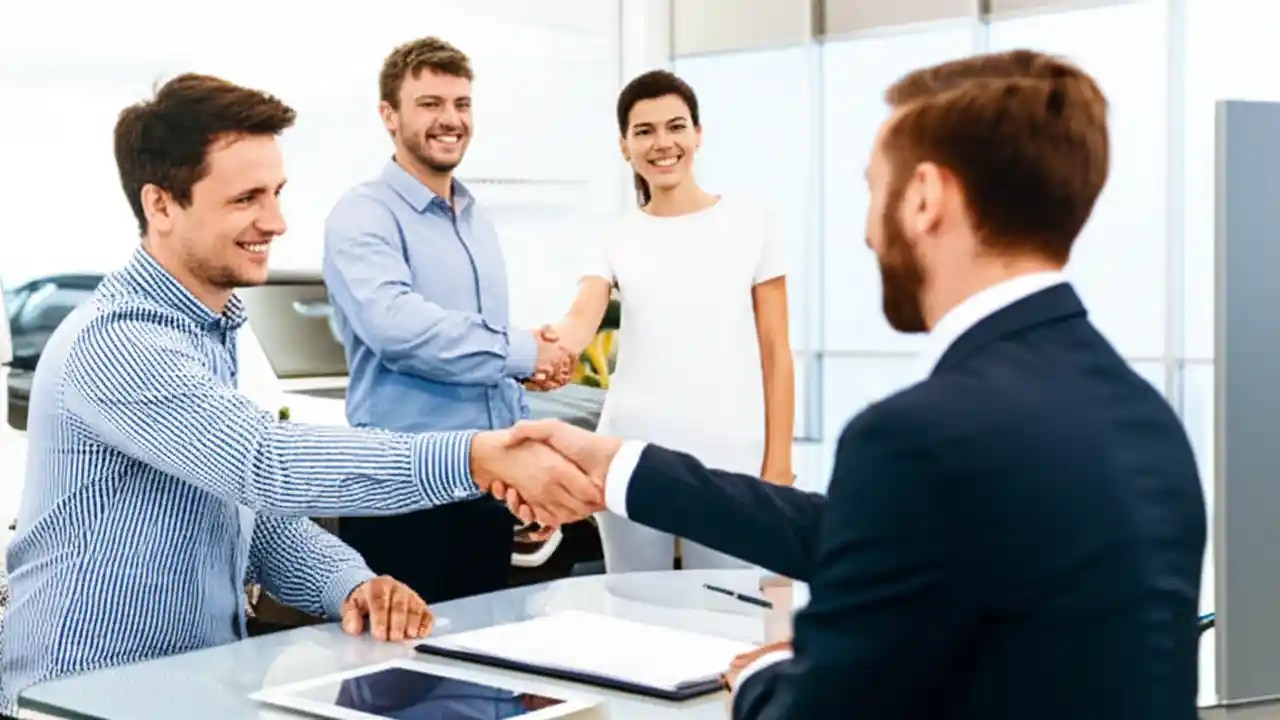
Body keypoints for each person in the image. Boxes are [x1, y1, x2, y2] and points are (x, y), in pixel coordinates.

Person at [496, 50, 1207, 719]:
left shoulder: (915, 437)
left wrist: (759, 676)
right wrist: (619, 464)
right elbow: (855, 537)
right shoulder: (1145, 421)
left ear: (924, 196)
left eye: (875, 188)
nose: (869, 231)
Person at [0, 72, 597, 709]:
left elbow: (250, 520)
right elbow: (265, 464)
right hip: (79, 699)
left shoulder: (211, 334)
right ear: (161, 205)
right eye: (246, 199)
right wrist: (477, 456)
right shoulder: (120, 341)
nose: (277, 221)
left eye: (277, 192)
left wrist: (349, 584)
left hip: (187, 688)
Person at [322, 37, 573, 603]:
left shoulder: (474, 218)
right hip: (402, 495)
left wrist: (523, 470)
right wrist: (527, 351)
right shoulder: (364, 214)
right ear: (389, 115)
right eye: (431, 103)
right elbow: (399, 329)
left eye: (461, 104)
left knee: (481, 670)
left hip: (481, 489)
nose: (450, 120)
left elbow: (488, 362)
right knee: (393, 679)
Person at [544, 69, 795, 573]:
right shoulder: (613, 236)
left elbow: (776, 352)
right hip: (630, 456)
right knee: (636, 620)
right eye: (644, 131)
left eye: (675, 126)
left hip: (732, 464)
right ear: (624, 146)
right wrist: (541, 349)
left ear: (697, 135)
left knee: (731, 619)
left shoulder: (754, 221)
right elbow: (581, 317)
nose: (663, 143)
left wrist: (779, 467)